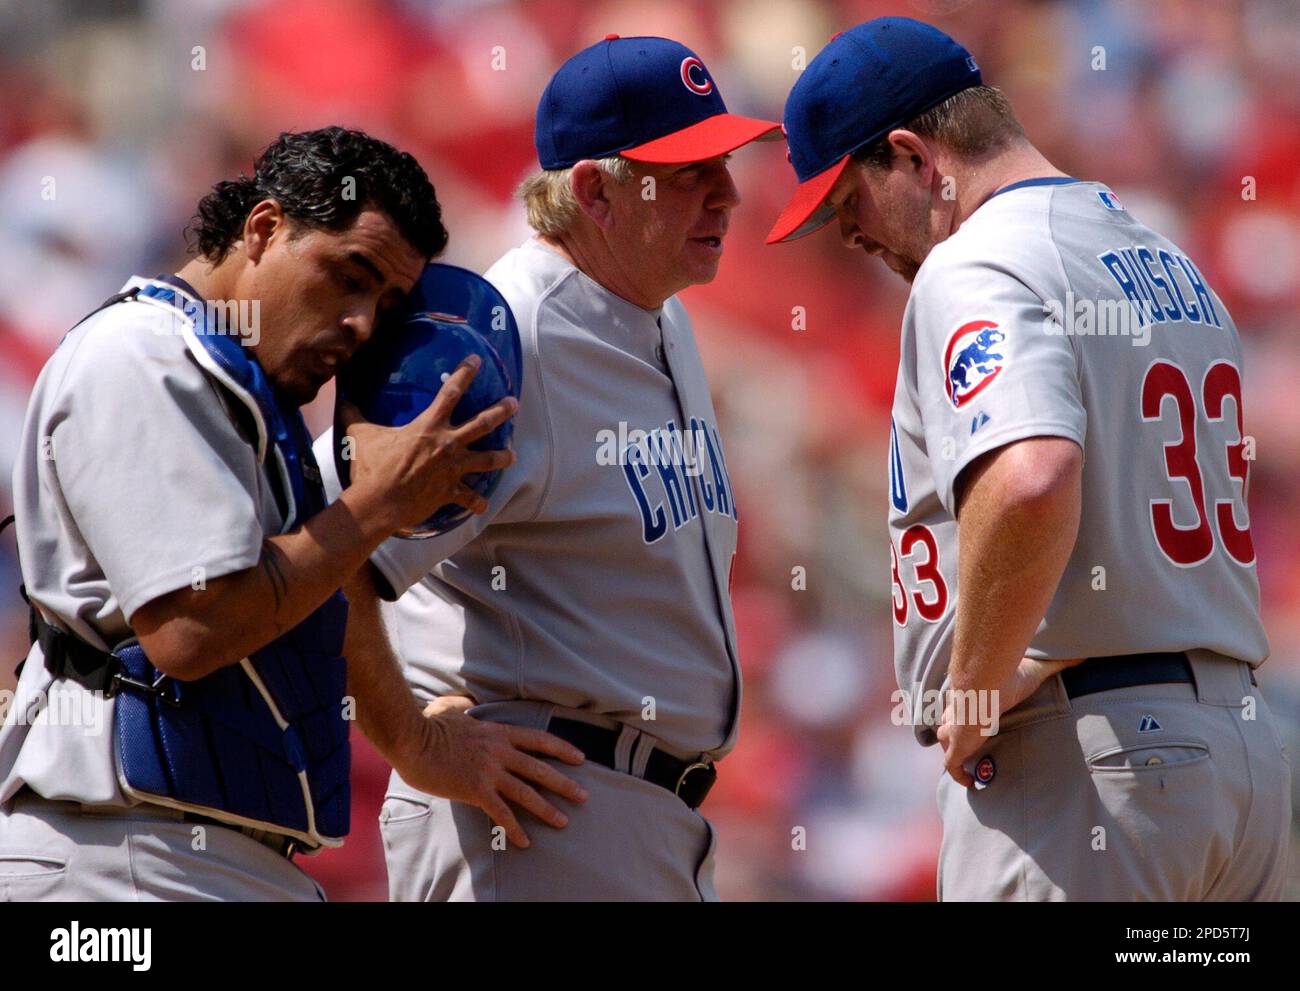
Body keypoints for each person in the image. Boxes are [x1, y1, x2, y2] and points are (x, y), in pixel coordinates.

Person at [769, 17, 1289, 900]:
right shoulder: (1163, 255)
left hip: (1091, 765)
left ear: (913, 157)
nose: (847, 236)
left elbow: (1033, 476)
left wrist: (970, 696)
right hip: (1241, 763)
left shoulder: (975, 260)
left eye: (846, 202)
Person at [0, 126, 577, 901]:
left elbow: (325, 587)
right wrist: (374, 508)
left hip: (213, 860)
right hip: (118, 859)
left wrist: (416, 739)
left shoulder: (249, 391)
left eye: (387, 302)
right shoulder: (141, 353)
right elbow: (192, 629)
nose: (364, 323)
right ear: (265, 229)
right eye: (350, 275)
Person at [317, 35, 780, 901]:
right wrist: (417, 740)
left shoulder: (659, 315)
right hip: (538, 815)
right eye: (687, 172)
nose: (728, 193)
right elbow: (323, 537)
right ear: (596, 191)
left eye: (724, 161)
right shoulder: (503, 335)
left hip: (642, 819)